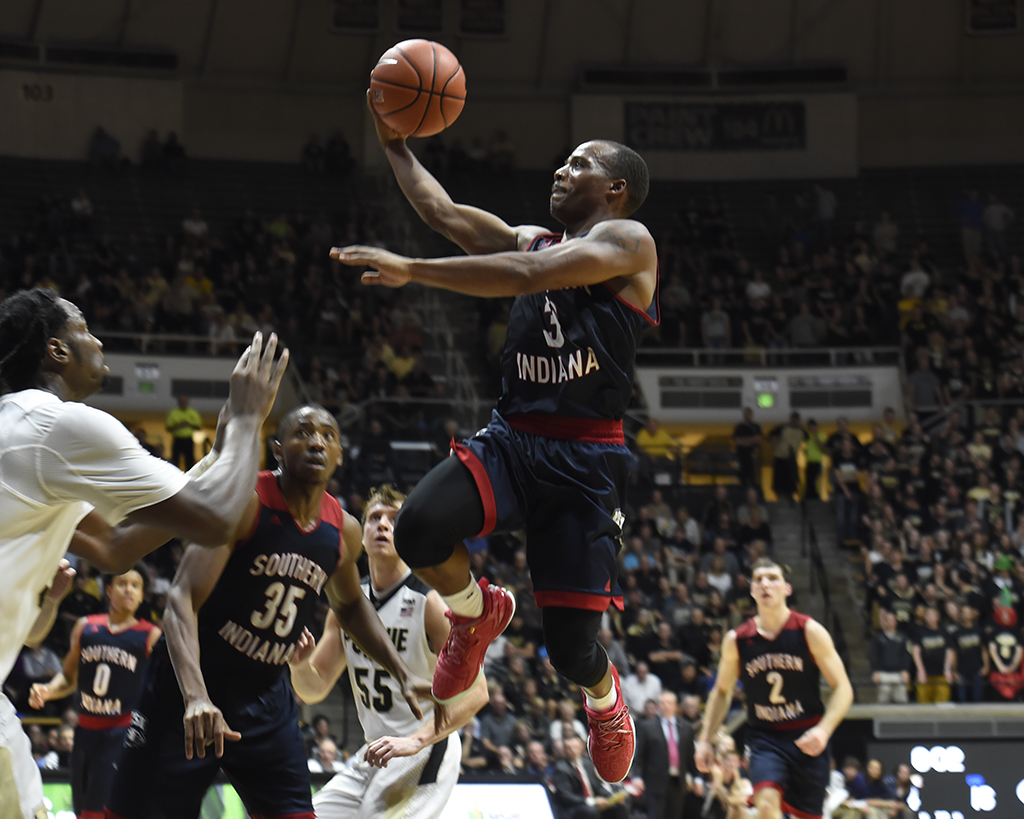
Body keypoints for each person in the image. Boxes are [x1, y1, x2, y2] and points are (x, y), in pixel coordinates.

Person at [331, 91, 659, 784]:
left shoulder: (629, 243)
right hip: (513, 438)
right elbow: (444, 214)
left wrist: (414, 271)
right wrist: (395, 145)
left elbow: (529, 276)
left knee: (571, 651)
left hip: (586, 460)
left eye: (580, 163)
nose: (562, 170)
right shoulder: (534, 237)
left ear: (616, 188)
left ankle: (605, 701)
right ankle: (479, 613)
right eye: (564, 162)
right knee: (418, 529)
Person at [0, 288, 286, 819]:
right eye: (84, 328)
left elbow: (114, 547)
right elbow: (220, 517)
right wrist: (248, 421)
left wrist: (223, 454)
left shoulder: (22, 435)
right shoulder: (56, 427)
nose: (98, 338)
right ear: (57, 352)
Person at [105, 406, 433, 819]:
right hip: (190, 688)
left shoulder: (343, 528)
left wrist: (400, 669)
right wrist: (195, 697)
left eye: (328, 435)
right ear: (277, 449)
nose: (317, 441)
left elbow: (350, 604)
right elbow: (180, 600)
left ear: (339, 455)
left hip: (265, 697)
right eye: (303, 433)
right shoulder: (244, 502)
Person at [288, 483, 488, 818]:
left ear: (408, 535)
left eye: (394, 519)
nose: (382, 524)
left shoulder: (430, 603)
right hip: (375, 751)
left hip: (425, 746)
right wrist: (299, 665)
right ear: (361, 535)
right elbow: (314, 689)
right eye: (374, 517)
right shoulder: (348, 605)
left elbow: (477, 692)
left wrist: (417, 741)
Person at [695, 558, 853, 819]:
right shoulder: (737, 640)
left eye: (772, 578)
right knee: (766, 807)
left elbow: (843, 688)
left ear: (787, 588)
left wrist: (824, 731)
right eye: (758, 579)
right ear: (752, 591)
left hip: (807, 736)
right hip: (765, 739)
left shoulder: (809, 631)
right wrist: (705, 741)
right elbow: (721, 692)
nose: (765, 584)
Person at [29, 566, 160, 819]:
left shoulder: (149, 635)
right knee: (82, 809)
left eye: (135, 586)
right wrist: (48, 690)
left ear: (143, 595)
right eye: (123, 584)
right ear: (108, 590)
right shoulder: (86, 627)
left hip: (120, 732)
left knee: (99, 812)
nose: (129, 590)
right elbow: (68, 678)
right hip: (85, 730)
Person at [631, 690, 693, 819]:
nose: (666, 706)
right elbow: (639, 754)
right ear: (658, 706)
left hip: (677, 781)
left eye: (669, 703)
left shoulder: (686, 727)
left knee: (675, 816)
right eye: (662, 703)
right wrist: (637, 776)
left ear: (676, 706)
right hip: (655, 781)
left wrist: (697, 777)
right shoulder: (647, 726)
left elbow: (690, 755)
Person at [166, 394, 203, 470]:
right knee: (175, 460)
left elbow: (199, 427)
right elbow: (168, 428)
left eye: (184, 402)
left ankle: (189, 477)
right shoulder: (173, 413)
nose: (183, 404)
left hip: (188, 439)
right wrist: (179, 425)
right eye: (181, 402)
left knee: (190, 460)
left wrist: (189, 424)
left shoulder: (193, 413)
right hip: (177, 439)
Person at [732, 407, 763, 490]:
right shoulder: (739, 427)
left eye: (748, 414)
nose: (747, 416)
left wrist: (745, 441)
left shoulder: (756, 427)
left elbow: (757, 439)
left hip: (752, 456)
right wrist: (751, 441)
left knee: (753, 477)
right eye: (746, 414)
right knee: (742, 478)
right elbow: (738, 441)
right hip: (741, 456)